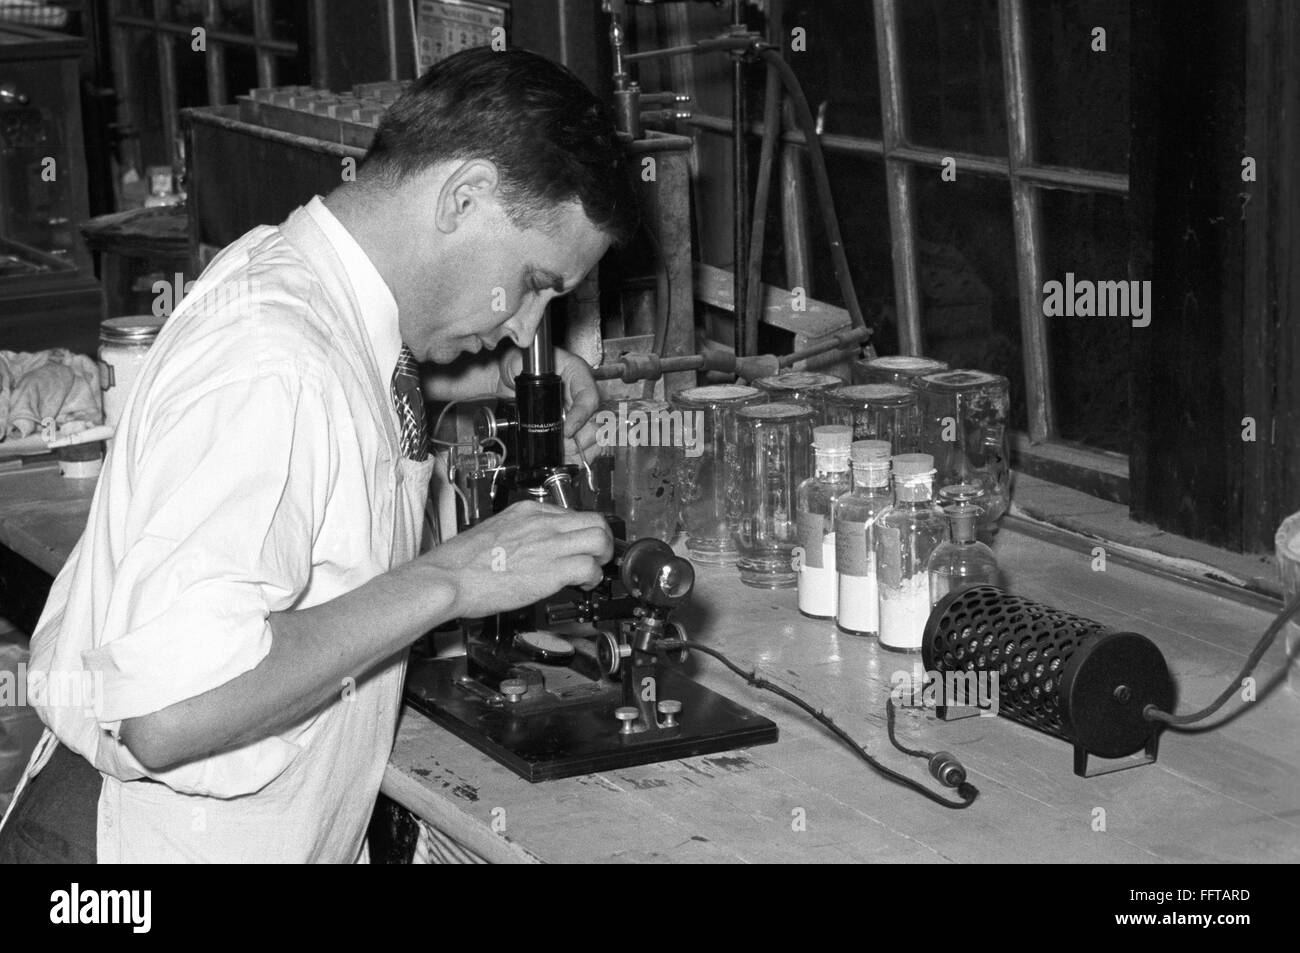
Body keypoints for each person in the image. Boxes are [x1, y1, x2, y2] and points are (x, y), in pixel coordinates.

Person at [0, 46, 634, 863]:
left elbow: (354, 397)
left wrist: (497, 373)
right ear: (464, 195)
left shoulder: (312, 285)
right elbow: (167, 711)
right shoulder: (270, 355)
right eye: (534, 281)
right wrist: (452, 578)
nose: (526, 325)